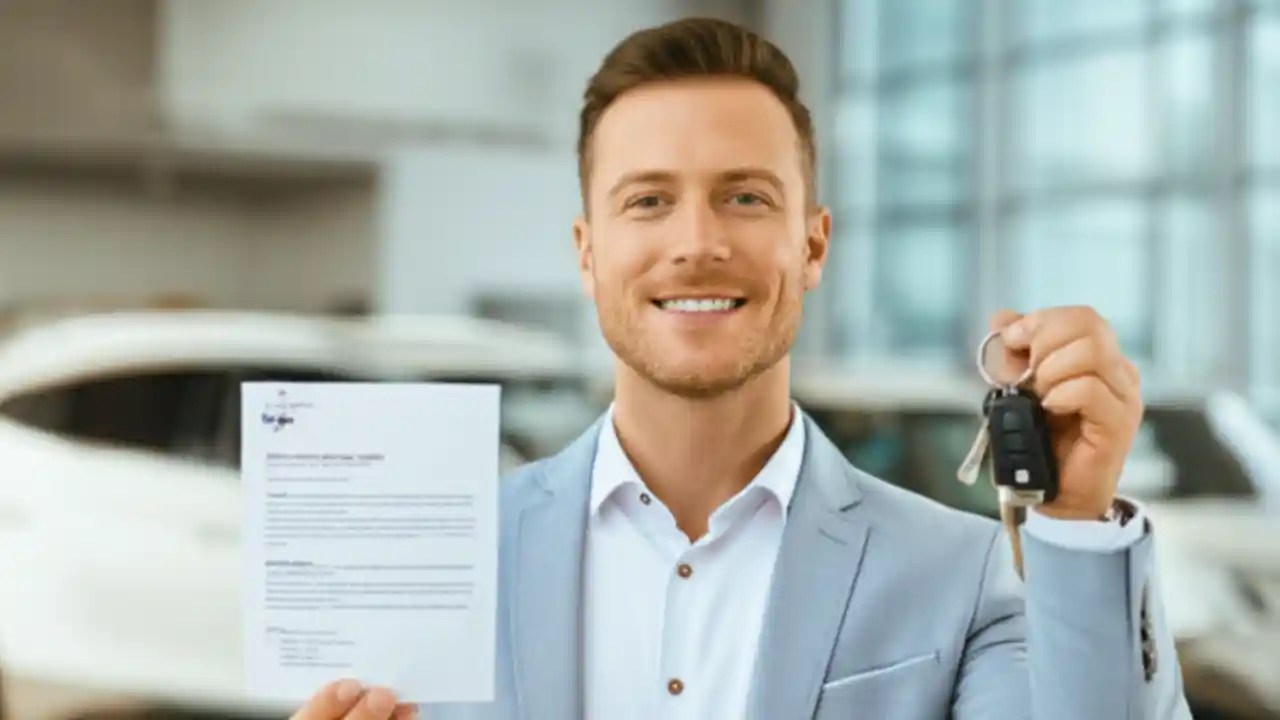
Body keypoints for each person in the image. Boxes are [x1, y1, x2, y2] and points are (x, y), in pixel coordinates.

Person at [291, 17, 1191, 720]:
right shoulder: (450, 561)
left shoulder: (962, 575)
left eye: (745, 197)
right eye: (648, 201)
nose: (697, 243)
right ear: (587, 251)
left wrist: (1073, 521)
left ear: (812, 244)